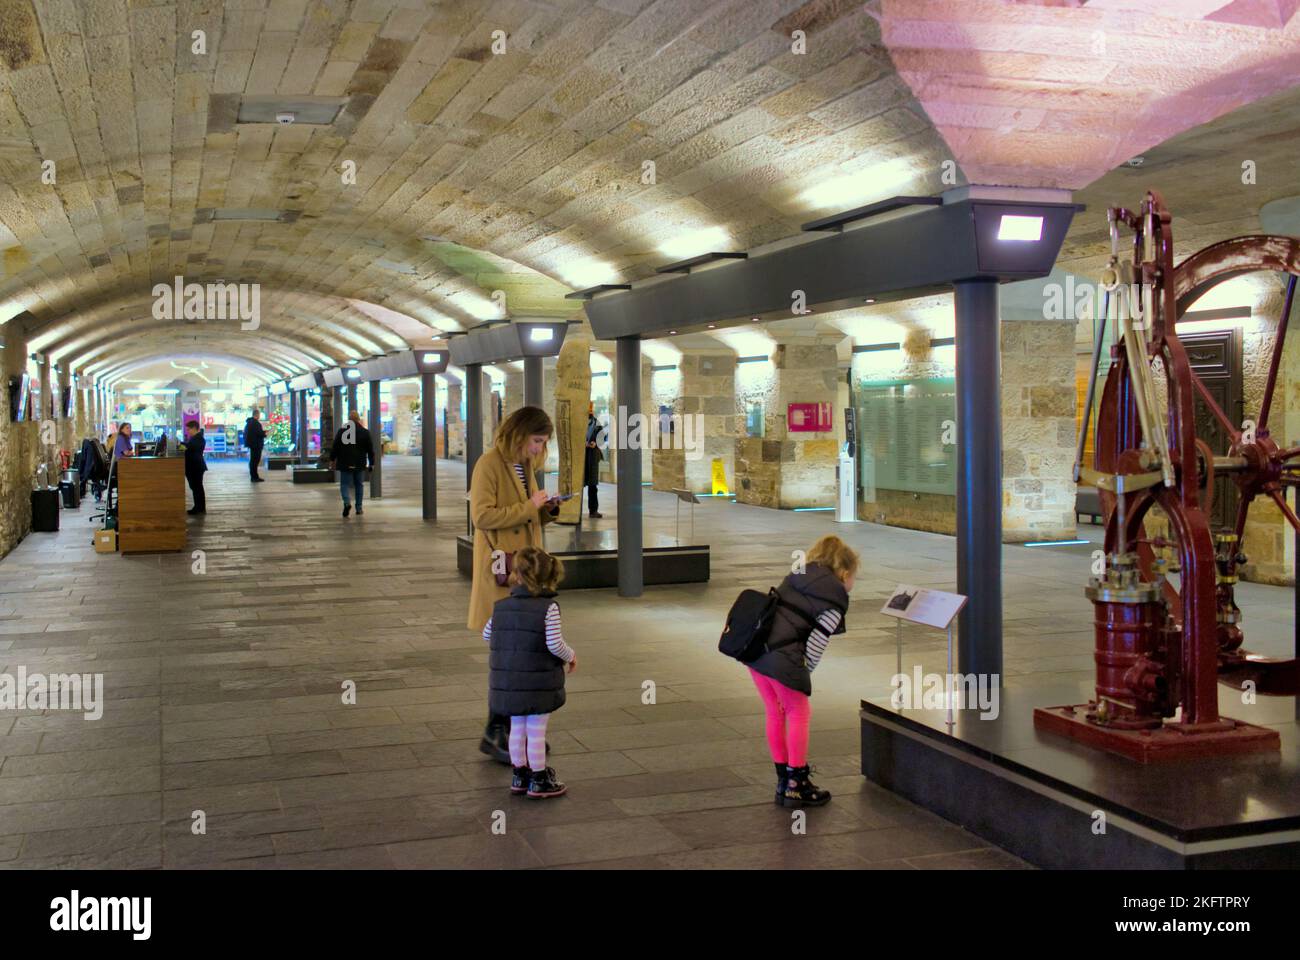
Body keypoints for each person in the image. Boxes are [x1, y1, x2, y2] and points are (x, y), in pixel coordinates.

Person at [468, 405, 561, 764]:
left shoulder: (525, 466)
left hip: (525, 572)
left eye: (544, 442)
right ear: (521, 434)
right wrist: (528, 506)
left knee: (522, 653)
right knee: (510, 655)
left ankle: (510, 731)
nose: (539, 448)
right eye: (537, 440)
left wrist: (546, 509)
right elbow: (481, 515)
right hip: (502, 571)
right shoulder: (488, 464)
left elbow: (528, 516)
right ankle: (497, 733)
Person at [745, 534, 858, 808]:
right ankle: (797, 784)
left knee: (775, 711)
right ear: (843, 573)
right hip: (783, 660)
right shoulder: (834, 598)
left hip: (755, 651)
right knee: (799, 712)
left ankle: (783, 779)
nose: (854, 583)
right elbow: (817, 643)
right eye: (855, 576)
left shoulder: (797, 576)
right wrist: (803, 674)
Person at [482, 547, 577, 799]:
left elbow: (487, 634)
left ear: (518, 575)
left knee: (517, 730)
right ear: (550, 577)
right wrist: (571, 656)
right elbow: (555, 644)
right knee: (536, 732)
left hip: (509, 682)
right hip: (538, 682)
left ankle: (519, 776)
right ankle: (539, 779)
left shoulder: (501, 606)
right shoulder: (548, 608)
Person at [329, 410, 375, 518]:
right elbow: (370, 450)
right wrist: (372, 463)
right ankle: (359, 508)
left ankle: (347, 502)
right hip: (359, 463)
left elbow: (335, 447)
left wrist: (332, 460)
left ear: (349, 419)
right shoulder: (365, 432)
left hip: (345, 462)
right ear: (358, 419)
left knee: (344, 484)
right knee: (359, 485)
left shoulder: (342, 431)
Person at [180, 420, 207, 515]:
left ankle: (199, 507)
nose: (188, 432)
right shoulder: (195, 438)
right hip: (195, 466)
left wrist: (182, 445)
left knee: (197, 487)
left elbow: (191, 448)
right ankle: (199, 507)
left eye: (188, 429)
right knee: (196, 487)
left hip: (196, 466)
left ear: (194, 428)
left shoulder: (199, 438)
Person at [583, 404, 603, 519]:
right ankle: (574, 511)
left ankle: (593, 510)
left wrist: (596, 443)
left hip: (592, 456)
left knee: (592, 485)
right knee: (578, 484)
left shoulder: (596, 423)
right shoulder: (579, 423)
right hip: (581, 456)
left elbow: (602, 437)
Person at [244, 408, 266, 482]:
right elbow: (259, 434)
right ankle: (254, 477)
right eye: (259, 414)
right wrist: (265, 433)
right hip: (256, 445)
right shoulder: (255, 423)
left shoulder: (249, 422)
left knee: (253, 461)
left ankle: (254, 476)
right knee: (255, 461)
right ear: (257, 415)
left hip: (252, 445)